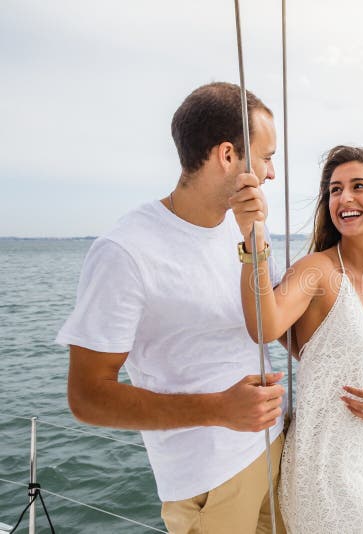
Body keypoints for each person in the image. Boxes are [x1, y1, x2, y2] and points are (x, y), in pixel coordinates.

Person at [57, 82, 288, 533]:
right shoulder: (124, 251)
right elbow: (86, 397)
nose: (271, 173)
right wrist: (220, 409)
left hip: (273, 448)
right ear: (227, 156)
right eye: (266, 156)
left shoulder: (245, 226)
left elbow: (271, 322)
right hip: (208, 479)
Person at [228, 145, 363, 533]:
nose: (344, 197)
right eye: (334, 189)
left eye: (358, 186)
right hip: (323, 469)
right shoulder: (317, 271)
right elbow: (265, 327)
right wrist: (254, 241)